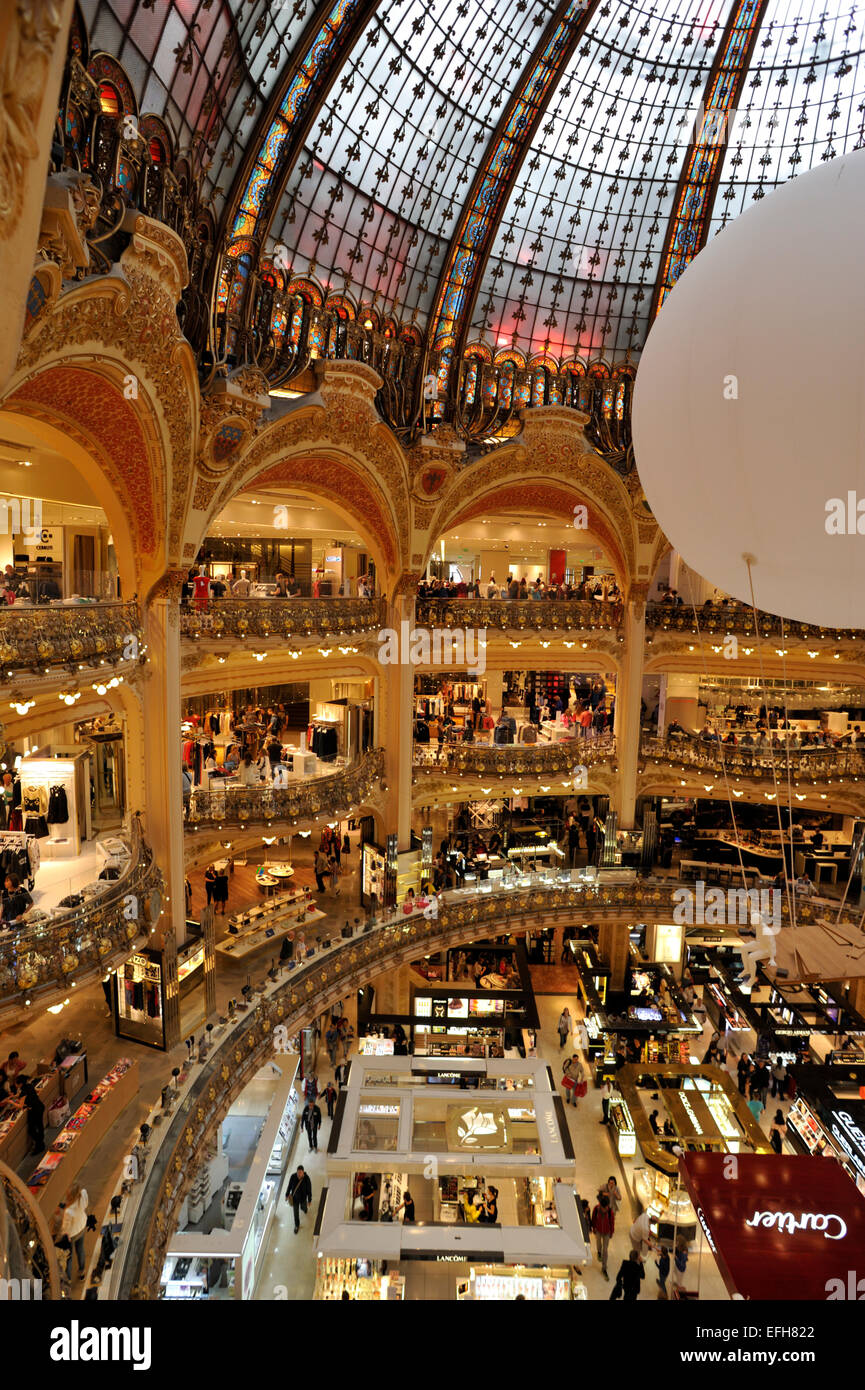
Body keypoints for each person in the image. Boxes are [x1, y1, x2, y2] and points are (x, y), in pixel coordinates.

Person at [59, 1184, 89, 1279]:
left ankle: (68, 1279)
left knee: (69, 1257)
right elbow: (86, 1204)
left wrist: (63, 1234)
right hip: (82, 1226)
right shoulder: (83, 1194)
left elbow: (65, 1226)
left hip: (72, 1234)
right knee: (80, 1249)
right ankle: (82, 1271)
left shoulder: (69, 1211)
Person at [591, 1192, 615, 1280]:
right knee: (598, 1244)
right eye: (604, 1208)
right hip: (598, 1230)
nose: (605, 1209)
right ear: (600, 1205)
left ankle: (604, 1268)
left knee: (605, 1249)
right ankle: (598, 1252)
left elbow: (612, 1223)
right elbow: (593, 1218)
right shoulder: (596, 1209)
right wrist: (593, 1227)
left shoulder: (610, 1212)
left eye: (606, 1208)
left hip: (607, 1232)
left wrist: (612, 1232)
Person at [286, 1166, 312, 1233]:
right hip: (295, 1199)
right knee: (295, 1213)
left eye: (300, 1173)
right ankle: (297, 1225)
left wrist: (309, 1200)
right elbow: (289, 1186)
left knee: (303, 1207)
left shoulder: (307, 1179)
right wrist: (287, 1194)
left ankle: (305, 1209)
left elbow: (309, 1190)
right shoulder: (293, 1177)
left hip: (303, 1198)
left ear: (303, 1172)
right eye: (298, 1173)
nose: (299, 1174)